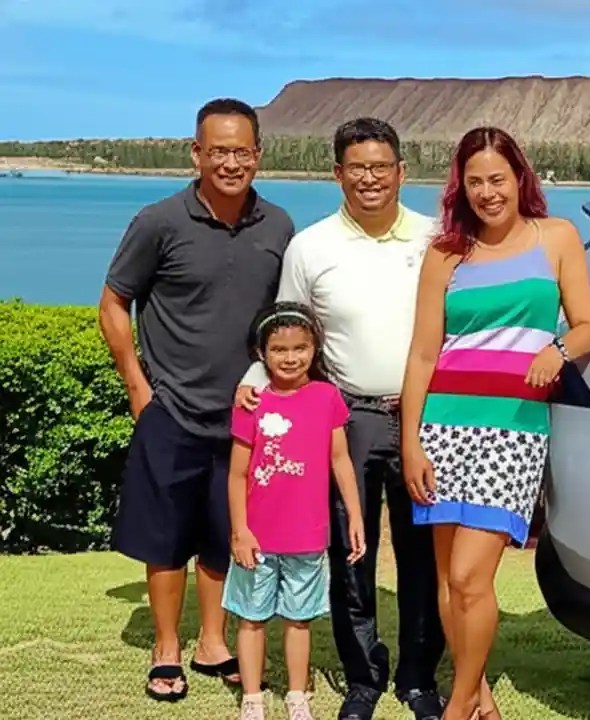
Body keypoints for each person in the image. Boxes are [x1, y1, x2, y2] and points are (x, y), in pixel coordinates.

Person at [235, 117, 447, 720]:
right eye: (356, 167)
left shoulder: (435, 240)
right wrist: (252, 387)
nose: (370, 178)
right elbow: (284, 334)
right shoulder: (312, 246)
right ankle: (363, 677)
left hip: (421, 417)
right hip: (344, 417)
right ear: (337, 174)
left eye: (381, 166)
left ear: (402, 171)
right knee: (350, 551)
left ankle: (417, 676)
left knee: (419, 553)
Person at [398, 126, 590, 720]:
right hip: (442, 426)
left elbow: (587, 324)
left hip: (513, 431)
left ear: (520, 178)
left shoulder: (556, 238)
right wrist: (410, 442)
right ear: (460, 186)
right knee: (447, 580)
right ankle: (480, 697)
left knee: (469, 575)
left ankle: (457, 705)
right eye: (475, 181)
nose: (488, 192)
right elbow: (422, 355)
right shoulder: (445, 253)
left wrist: (557, 351)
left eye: (498, 179)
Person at [98, 97, 295, 702]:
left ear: (258, 155)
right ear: (197, 153)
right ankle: (165, 647)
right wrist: (139, 388)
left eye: (242, 151)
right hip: (170, 408)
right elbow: (112, 302)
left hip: (245, 416)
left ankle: (213, 642)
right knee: (165, 536)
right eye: (218, 151)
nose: (230, 162)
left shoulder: (279, 226)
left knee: (221, 532)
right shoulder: (160, 221)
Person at [225, 302, 368, 720]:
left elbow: (341, 461)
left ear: (314, 348)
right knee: (251, 620)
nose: (290, 358)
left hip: (307, 536)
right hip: (257, 537)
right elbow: (236, 475)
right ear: (261, 354)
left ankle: (297, 696)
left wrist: (356, 516)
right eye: (279, 350)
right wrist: (240, 531)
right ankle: (252, 698)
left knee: (298, 620)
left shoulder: (327, 398)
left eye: (300, 348)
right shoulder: (250, 404)